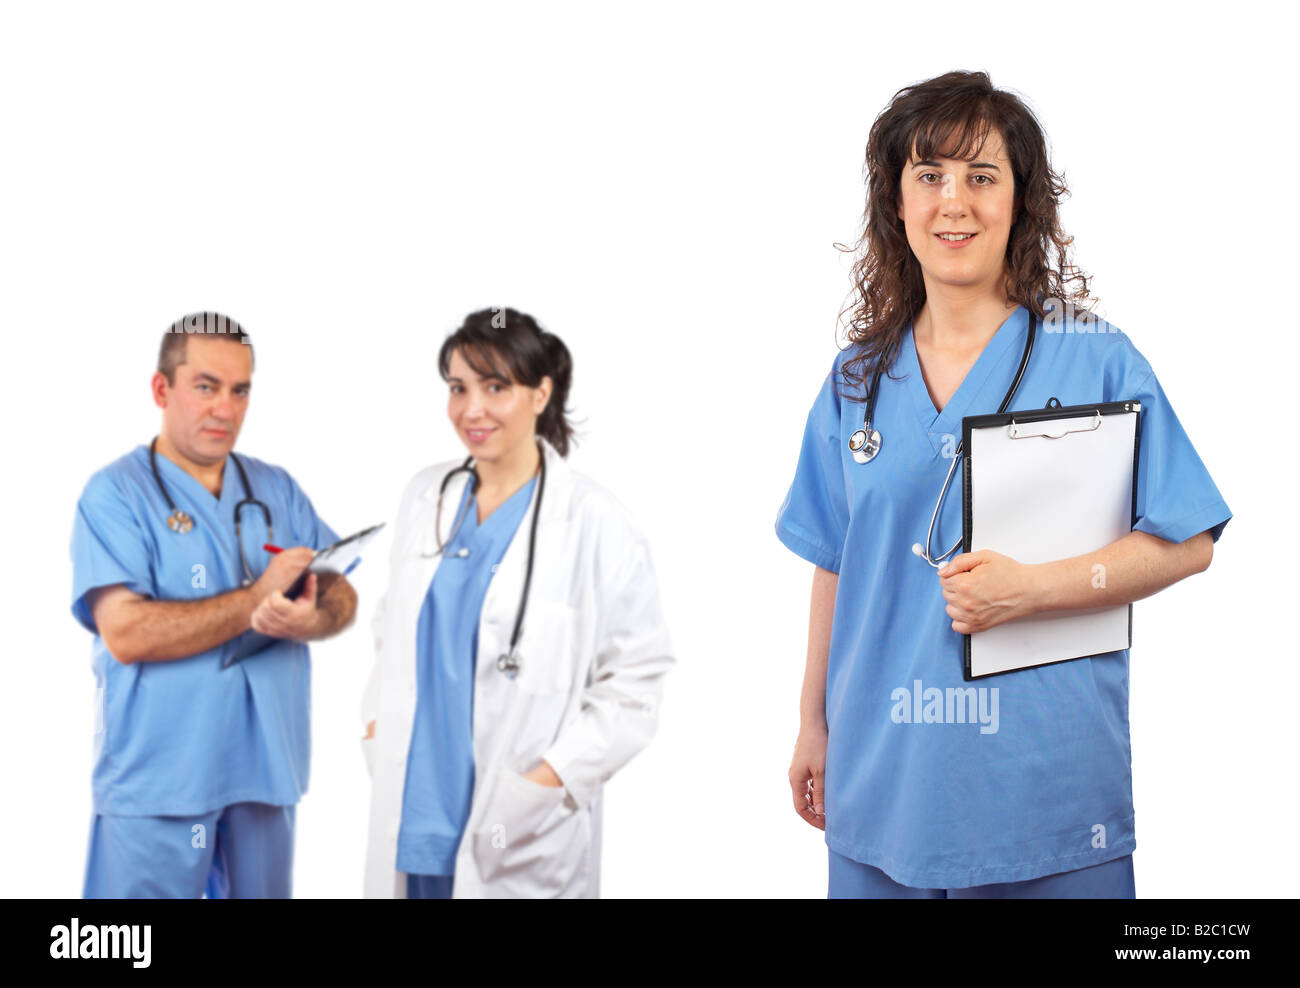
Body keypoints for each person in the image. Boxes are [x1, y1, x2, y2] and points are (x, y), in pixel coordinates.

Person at [776, 72, 1231, 899]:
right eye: (930, 176)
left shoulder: (1095, 357)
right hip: (883, 783)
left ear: (1020, 202)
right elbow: (836, 562)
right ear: (897, 203)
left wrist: (1035, 591)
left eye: (981, 177)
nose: (956, 202)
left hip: (1048, 796)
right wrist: (812, 723)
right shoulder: (856, 381)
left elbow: (1188, 540)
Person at [361, 307, 674, 898]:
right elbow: (392, 627)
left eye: (495, 386)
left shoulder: (594, 521)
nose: (471, 409)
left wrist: (543, 784)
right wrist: (378, 725)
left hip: (517, 830)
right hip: (414, 816)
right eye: (458, 388)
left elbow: (637, 680)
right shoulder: (425, 496)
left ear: (541, 392)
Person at [71, 312, 358, 898]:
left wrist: (315, 616)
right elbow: (125, 631)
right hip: (161, 778)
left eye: (239, 390)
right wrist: (254, 600)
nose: (225, 409)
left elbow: (339, 587)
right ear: (162, 389)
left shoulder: (274, 487)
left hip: (263, 773)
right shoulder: (115, 494)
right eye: (205, 387)